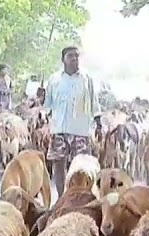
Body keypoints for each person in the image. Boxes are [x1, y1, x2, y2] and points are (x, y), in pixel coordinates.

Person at [43, 46, 99, 196]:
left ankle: (80, 196)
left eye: (76, 56)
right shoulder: (54, 79)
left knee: (81, 167)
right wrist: (46, 121)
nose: (74, 59)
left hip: (81, 129)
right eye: (70, 56)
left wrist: (98, 122)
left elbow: (94, 102)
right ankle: (61, 197)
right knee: (58, 164)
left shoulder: (87, 79)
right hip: (59, 128)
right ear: (63, 60)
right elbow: (47, 104)